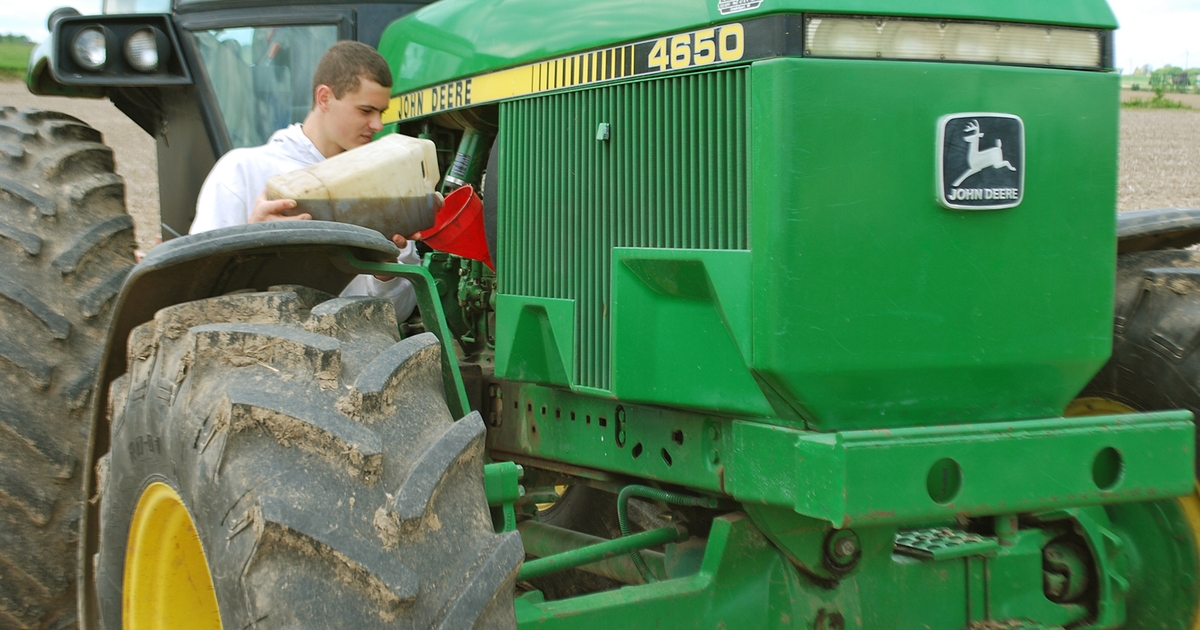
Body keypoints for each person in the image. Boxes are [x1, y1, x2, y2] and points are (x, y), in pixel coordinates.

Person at [190, 40, 418, 320]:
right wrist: (249, 245)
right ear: (324, 98)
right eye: (365, 111)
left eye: (381, 113)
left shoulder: (383, 189)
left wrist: (386, 270)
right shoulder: (241, 171)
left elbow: (398, 316)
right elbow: (196, 299)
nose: (378, 125)